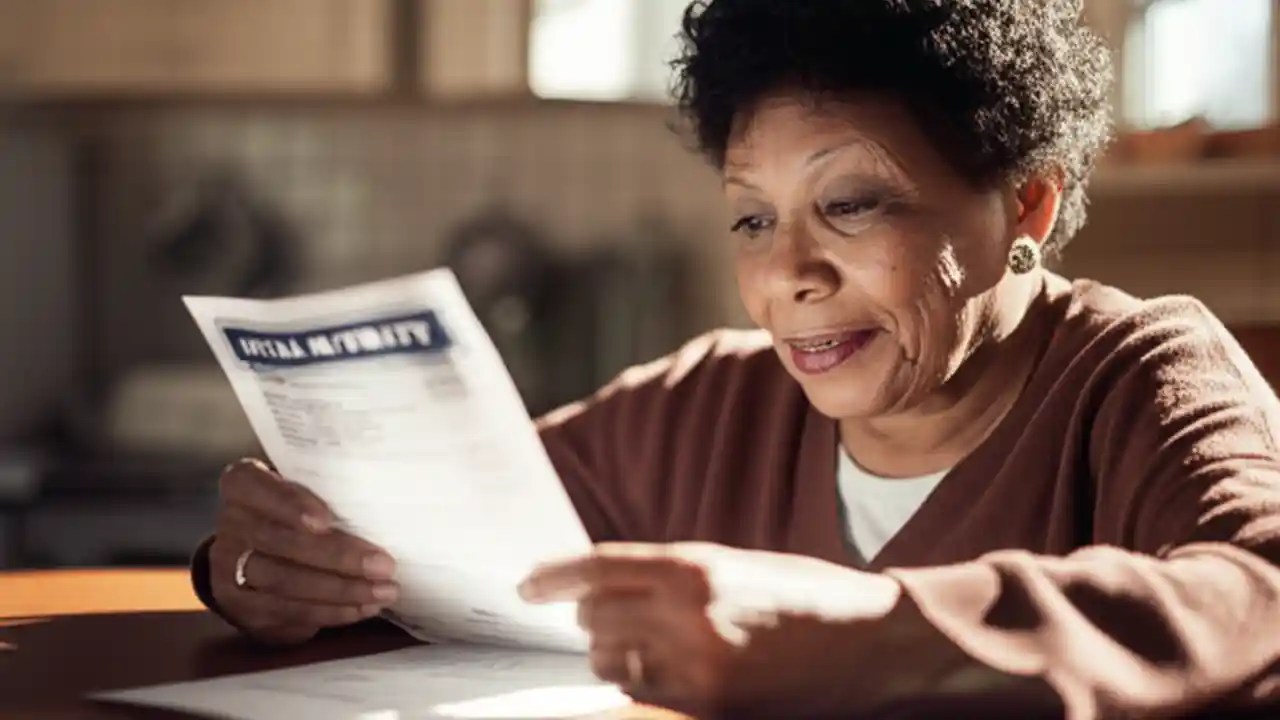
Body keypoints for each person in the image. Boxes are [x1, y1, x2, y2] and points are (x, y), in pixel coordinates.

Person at [190, 1, 1280, 717]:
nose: (786, 277)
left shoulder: (1136, 371)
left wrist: (866, 630)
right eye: (752, 222)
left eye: (849, 205)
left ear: (1025, 202)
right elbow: (439, 550)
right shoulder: (708, 404)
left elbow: (1252, 596)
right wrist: (271, 568)